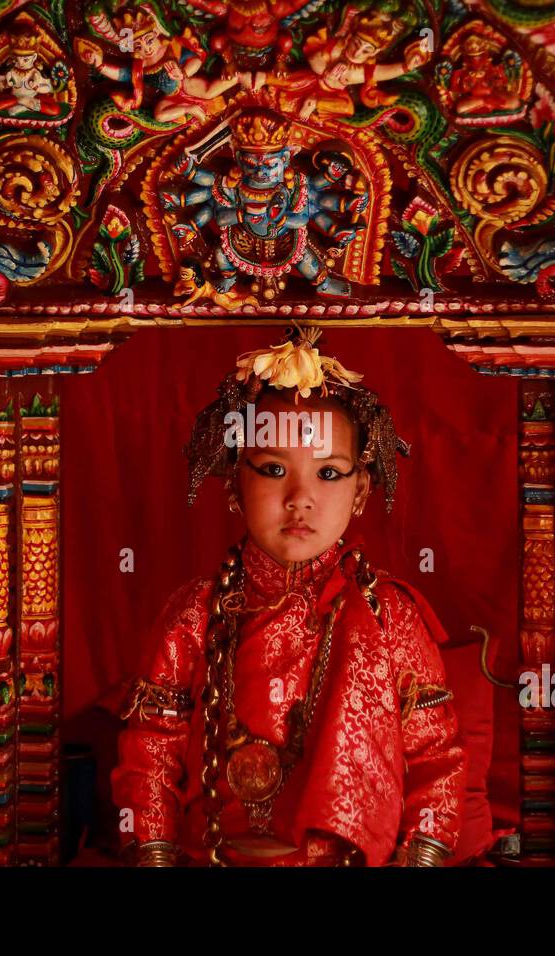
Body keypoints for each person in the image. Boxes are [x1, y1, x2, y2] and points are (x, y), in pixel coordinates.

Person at [111, 327, 465, 866]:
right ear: (234, 484)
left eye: (328, 473)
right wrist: (154, 853)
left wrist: (422, 858)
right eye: (274, 470)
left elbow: (436, 758)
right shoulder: (193, 616)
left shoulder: (388, 616)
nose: (300, 499)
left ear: (361, 489)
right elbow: (150, 752)